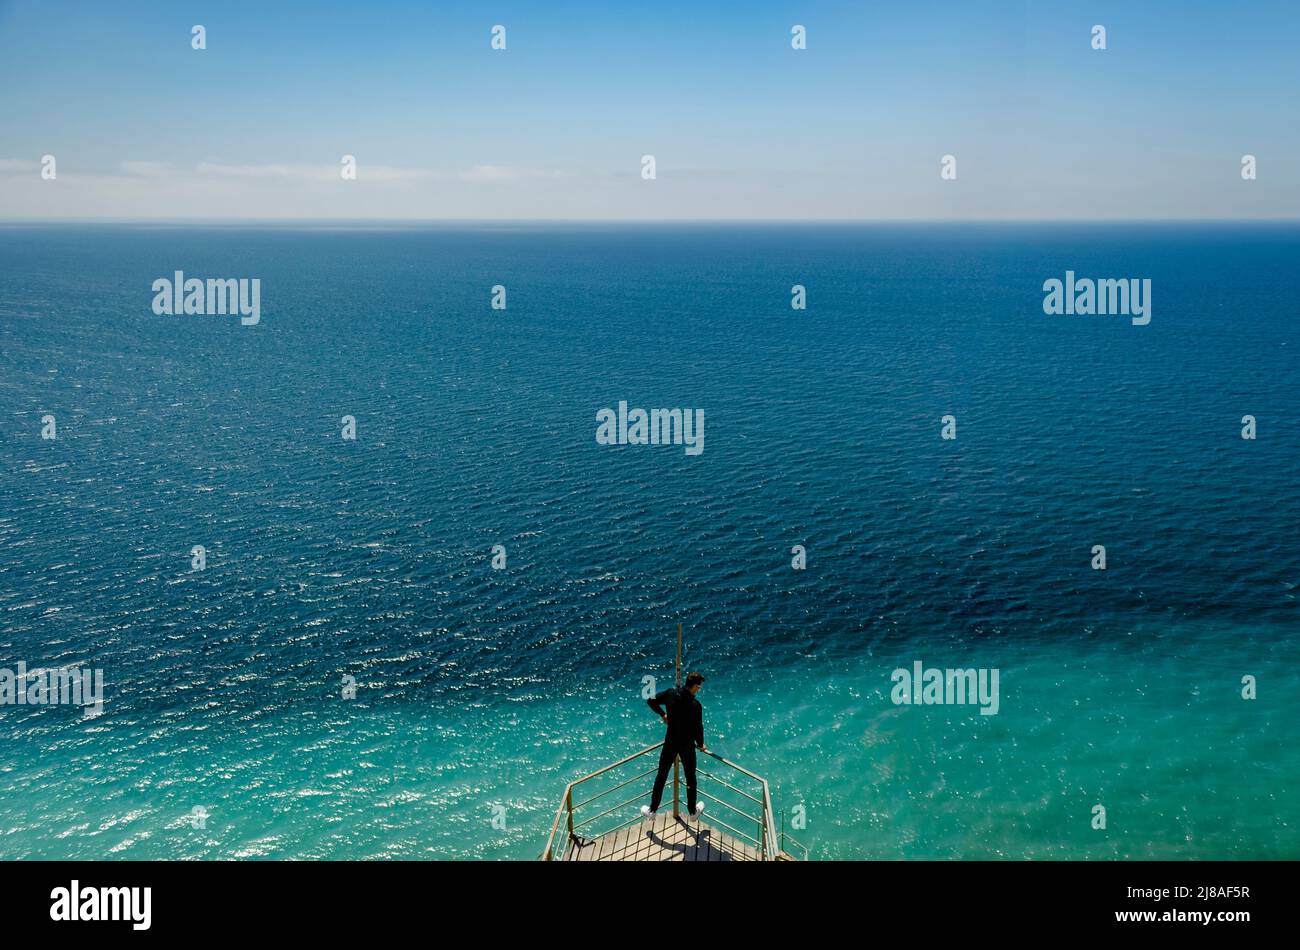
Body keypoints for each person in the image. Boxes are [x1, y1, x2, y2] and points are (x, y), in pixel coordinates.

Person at [641, 671, 707, 820]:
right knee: (690, 778)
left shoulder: (671, 693)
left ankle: (652, 810)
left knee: (661, 776)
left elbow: (651, 701)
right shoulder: (696, 705)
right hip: (687, 745)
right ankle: (692, 812)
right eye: (699, 687)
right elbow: (698, 728)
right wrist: (701, 744)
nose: (699, 690)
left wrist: (663, 714)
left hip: (671, 742)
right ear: (695, 686)